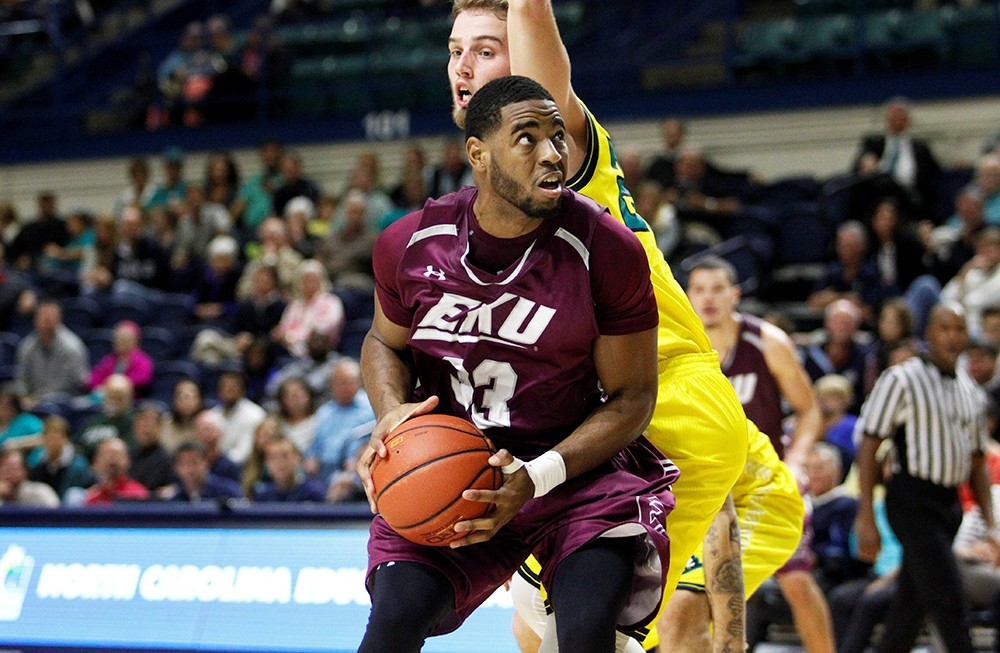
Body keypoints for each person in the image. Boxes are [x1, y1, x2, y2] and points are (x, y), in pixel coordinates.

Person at [446, 8, 750, 651]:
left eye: (486, 49)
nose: (463, 68)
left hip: (657, 405)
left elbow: (532, 24)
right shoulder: (484, 204)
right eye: (454, 51)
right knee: (540, 631)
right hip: (635, 418)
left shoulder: (555, 145)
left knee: (568, 625)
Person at [354, 75, 675, 653]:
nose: (553, 154)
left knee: (584, 636)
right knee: (389, 631)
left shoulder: (607, 250)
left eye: (558, 137)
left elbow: (633, 399)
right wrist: (394, 415)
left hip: (573, 473)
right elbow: (384, 342)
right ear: (477, 153)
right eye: (527, 138)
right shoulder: (409, 242)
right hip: (457, 473)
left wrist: (537, 476)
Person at [684, 255, 835, 653]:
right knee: (696, 594)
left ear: (735, 295)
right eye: (698, 290)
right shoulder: (679, 345)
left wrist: (796, 463)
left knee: (796, 579)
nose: (708, 299)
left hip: (762, 484)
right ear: (686, 296)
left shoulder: (767, 340)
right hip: (709, 487)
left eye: (717, 289)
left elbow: (809, 410)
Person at [854, 302, 998, 653]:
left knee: (911, 605)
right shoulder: (901, 379)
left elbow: (977, 463)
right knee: (949, 600)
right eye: (944, 328)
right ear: (928, 334)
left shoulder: (971, 391)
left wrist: (991, 524)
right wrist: (866, 515)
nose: (952, 336)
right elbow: (870, 443)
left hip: (949, 504)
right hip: (910, 499)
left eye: (959, 329)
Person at [304, 358, 375, 498]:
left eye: (348, 382)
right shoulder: (324, 412)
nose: (343, 387)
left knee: (343, 490)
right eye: (339, 383)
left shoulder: (371, 407)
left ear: (359, 382)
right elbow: (314, 446)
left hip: (356, 469)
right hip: (324, 471)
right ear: (332, 386)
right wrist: (310, 458)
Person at [14, 299, 89, 408]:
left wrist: (38, 398)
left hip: (64, 403)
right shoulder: (27, 346)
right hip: (31, 401)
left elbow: (71, 385)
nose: (46, 320)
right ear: (35, 320)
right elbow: (21, 379)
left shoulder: (72, 347)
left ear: (59, 320)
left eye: (50, 317)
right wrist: (22, 396)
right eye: (43, 316)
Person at [273, 259, 345, 358]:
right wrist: (285, 336)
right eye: (306, 279)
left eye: (313, 279)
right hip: (289, 352)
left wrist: (294, 337)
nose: (309, 283)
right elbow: (283, 328)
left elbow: (324, 329)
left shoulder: (331, 301)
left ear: (321, 280)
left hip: (319, 354)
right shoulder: (295, 305)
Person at [26, 416, 93, 500]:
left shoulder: (78, 466)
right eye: (48, 436)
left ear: (65, 438)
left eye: (55, 437)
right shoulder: (38, 464)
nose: (52, 441)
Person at [210, 370, 266, 465]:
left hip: (246, 466)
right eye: (225, 386)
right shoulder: (212, 414)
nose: (228, 390)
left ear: (242, 390)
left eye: (233, 386)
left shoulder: (255, 414)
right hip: (216, 463)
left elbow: (244, 453)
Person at [160, 441, 243, 502]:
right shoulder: (172, 497)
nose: (189, 469)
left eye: (194, 462)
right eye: (183, 464)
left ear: (206, 463)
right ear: (176, 468)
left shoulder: (229, 492)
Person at [250, 435, 326, 502]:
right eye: (273, 458)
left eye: (285, 456)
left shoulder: (314, 493)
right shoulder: (262, 496)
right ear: (266, 462)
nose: (279, 463)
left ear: (297, 458)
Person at [87, 320, 154, 394]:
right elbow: (93, 380)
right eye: (117, 339)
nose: (120, 342)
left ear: (135, 341)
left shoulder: (143, 361)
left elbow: (142, 379)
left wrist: (114, 387)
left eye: (124, 340)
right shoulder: (110, 359)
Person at [78, 374, 137, 457]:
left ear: (128, 399)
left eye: (119, 398)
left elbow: (127, 451)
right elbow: (77, 445)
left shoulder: (133, 423)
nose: (114, 401)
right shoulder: (94, 422)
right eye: (111, 396)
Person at [84, 437, 150, 505]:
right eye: (106, 455)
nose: (111, 459)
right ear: (96, 461)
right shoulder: (92, 498)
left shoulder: (138, 495)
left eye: (116, 454)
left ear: (127, 461)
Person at [129, 400, 174, 492]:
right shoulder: (126, 457)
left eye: (151, 423)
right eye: (142, 422)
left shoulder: (168, 459)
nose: (146, 428)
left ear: (160, 427)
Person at [0, 384, 43, 452]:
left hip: (26, 460)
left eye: (4, 406)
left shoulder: (29, 421)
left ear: (14, 407)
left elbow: (43, 438)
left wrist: (17, 443)